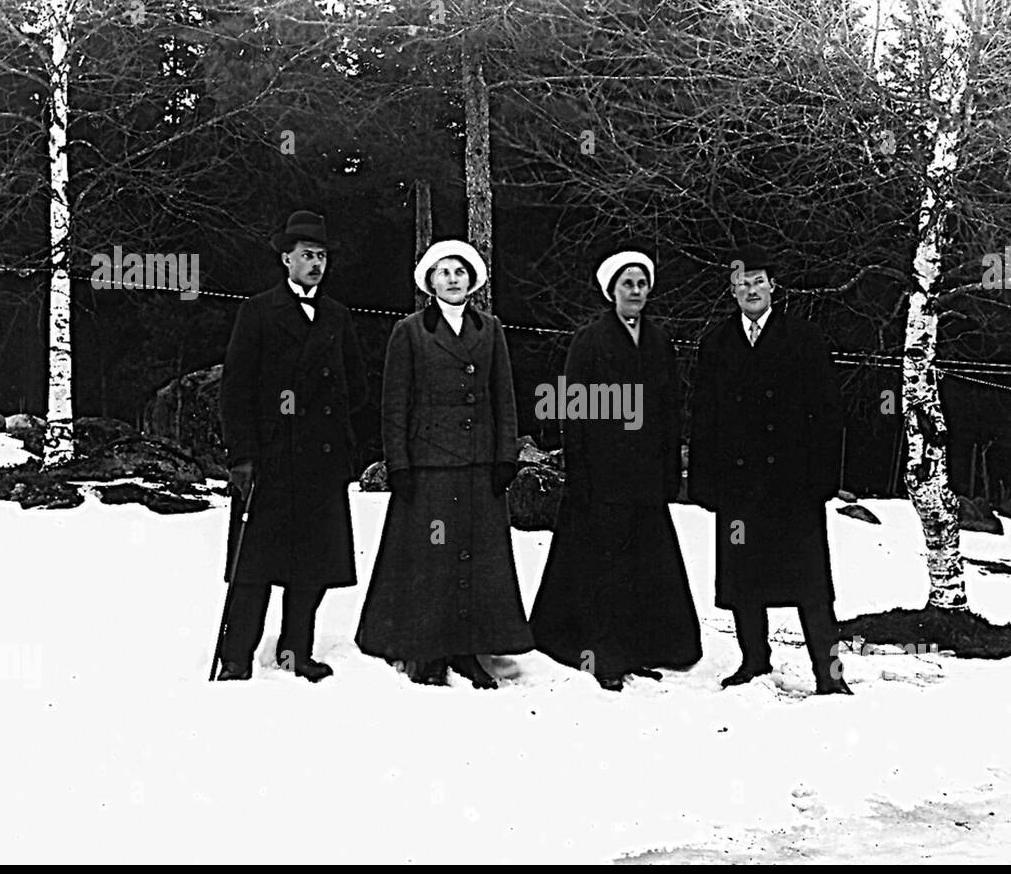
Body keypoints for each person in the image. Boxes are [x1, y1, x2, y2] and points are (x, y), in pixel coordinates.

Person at [354, 239, 533, 687]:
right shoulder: (410, 332)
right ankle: (427, 650)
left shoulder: (490, 330)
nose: (453, 280)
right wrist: (399, 463)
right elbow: (395, 404)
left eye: (460, 272)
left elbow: (503, 398)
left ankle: (467, 648)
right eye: (444, 272)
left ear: (471, 281)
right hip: (430, 464)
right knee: (431, 559)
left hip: (478, 464)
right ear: (429, 281)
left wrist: (505, 455)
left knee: (474, 559)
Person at [529, 245, 702, 691]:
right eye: (628, 284)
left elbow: (668, 410)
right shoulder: (589, 341)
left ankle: (639, 649)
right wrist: (581, 470)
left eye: (642, 283)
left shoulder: (660, 341)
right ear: (612, 291)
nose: (636, 291)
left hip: (645, 477)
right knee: (601, 569)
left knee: (641, 567)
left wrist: (668, 468)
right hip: (601, 476)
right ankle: (602, 654)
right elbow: (574, 411)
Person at [687, 243, 852, 694]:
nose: (751, 289)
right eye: (742, 282)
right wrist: (704, 481)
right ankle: (754, 662)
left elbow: (828, 414)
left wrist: (823, 479)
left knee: (812, 588)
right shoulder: (716, 343)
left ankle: (830, 675)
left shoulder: (804, 339)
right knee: (744, 580)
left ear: (773, 287)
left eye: (759, 281)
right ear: (732, 290)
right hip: (739, 487)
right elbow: (703, 417)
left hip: (793, 486)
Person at [216, 210, 368, 681]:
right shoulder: (259, 311)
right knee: (254, 565)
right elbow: (236, 387)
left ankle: (296, 651)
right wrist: (242, 456)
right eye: (306, 256)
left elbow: (356, 388)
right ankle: (236, 656)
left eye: (322, 256)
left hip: (321, 462)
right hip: (271, 459)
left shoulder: (337, 317)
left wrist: (345, 448)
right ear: (286, 259)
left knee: (312, 567)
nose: (316, 264)